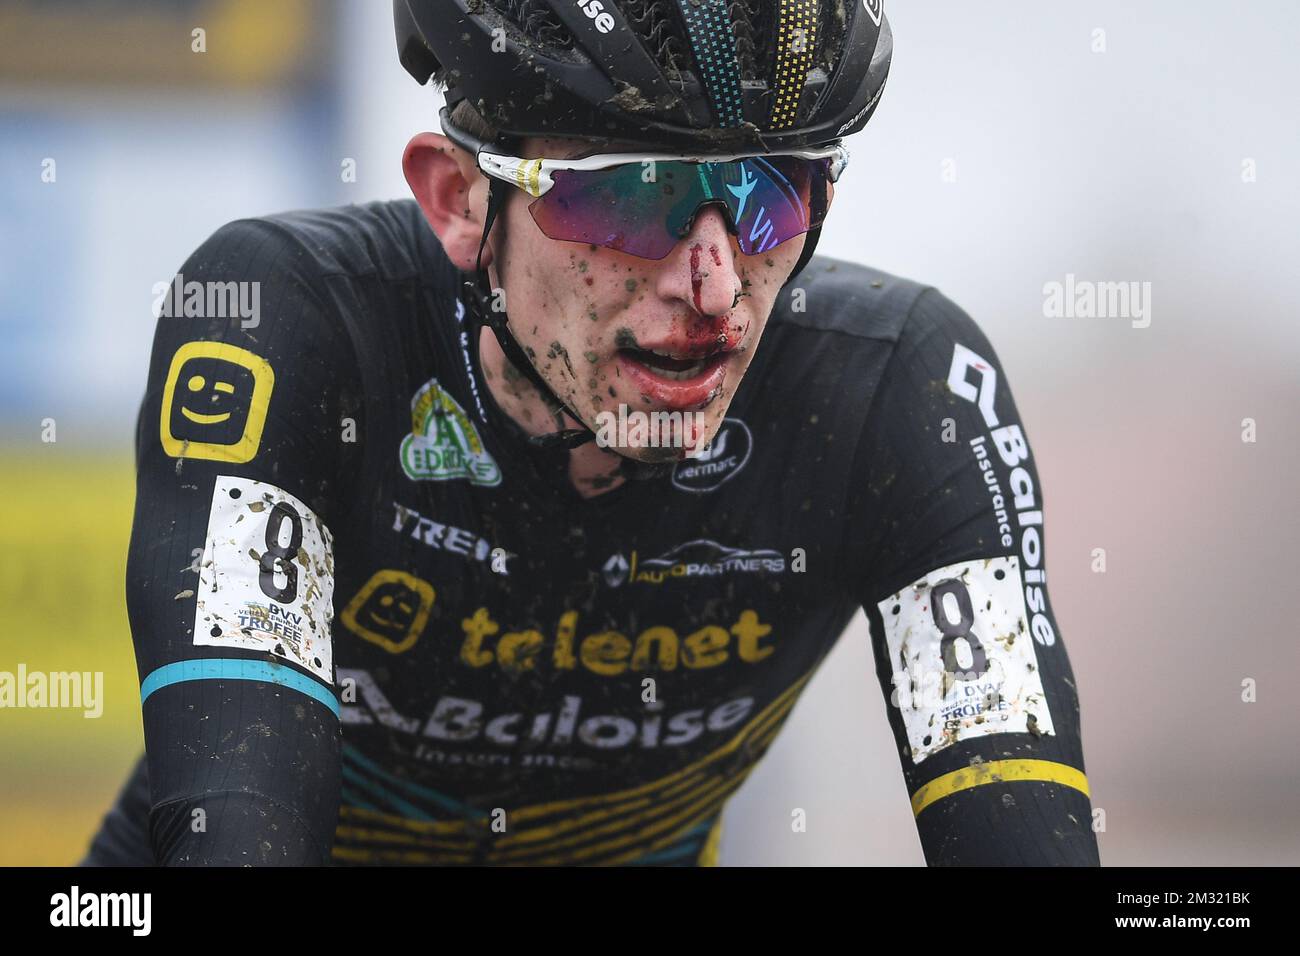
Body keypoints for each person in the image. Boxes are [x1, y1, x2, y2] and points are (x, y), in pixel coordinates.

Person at [83, 0, 1100, 866]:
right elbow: (237, 817)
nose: (712, 289)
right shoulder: (294, 320)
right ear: (459, 200)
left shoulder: (902, 389)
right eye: (633, 195)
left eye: (765, 196)